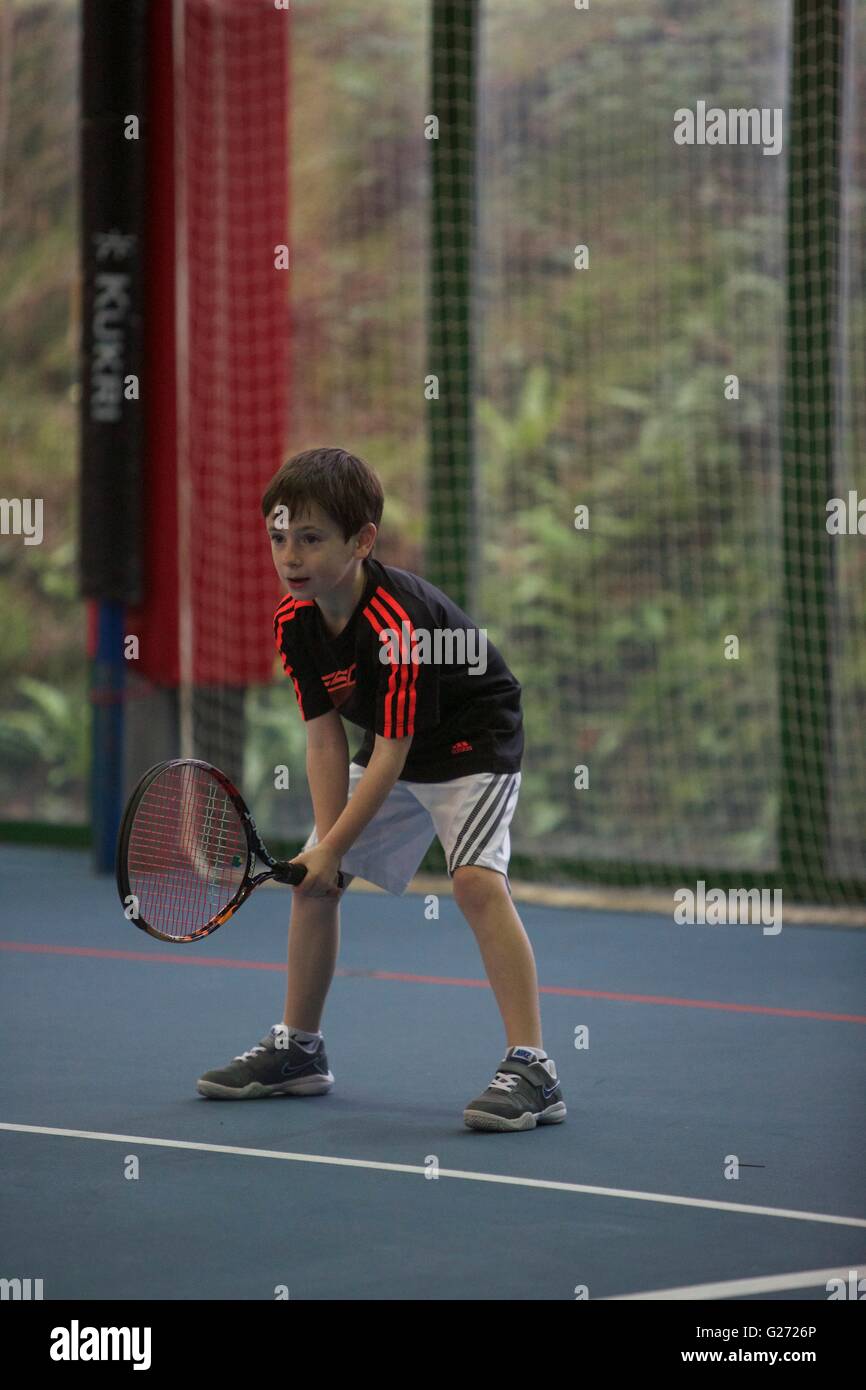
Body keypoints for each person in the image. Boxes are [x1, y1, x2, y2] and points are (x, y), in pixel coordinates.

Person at [197, 447, 566, 1132]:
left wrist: (333, 845)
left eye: (310, 539)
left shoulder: (396, 624)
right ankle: (299, 1051)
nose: (290, 556)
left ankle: (535, 1068)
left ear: (362, 541)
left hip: (470, 742)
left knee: (476, 885)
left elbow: (392, 752)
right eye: (279, 537)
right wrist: (324, 853)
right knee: (316, 887)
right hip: (396, 746)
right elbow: (325, 737)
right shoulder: (295, 621)